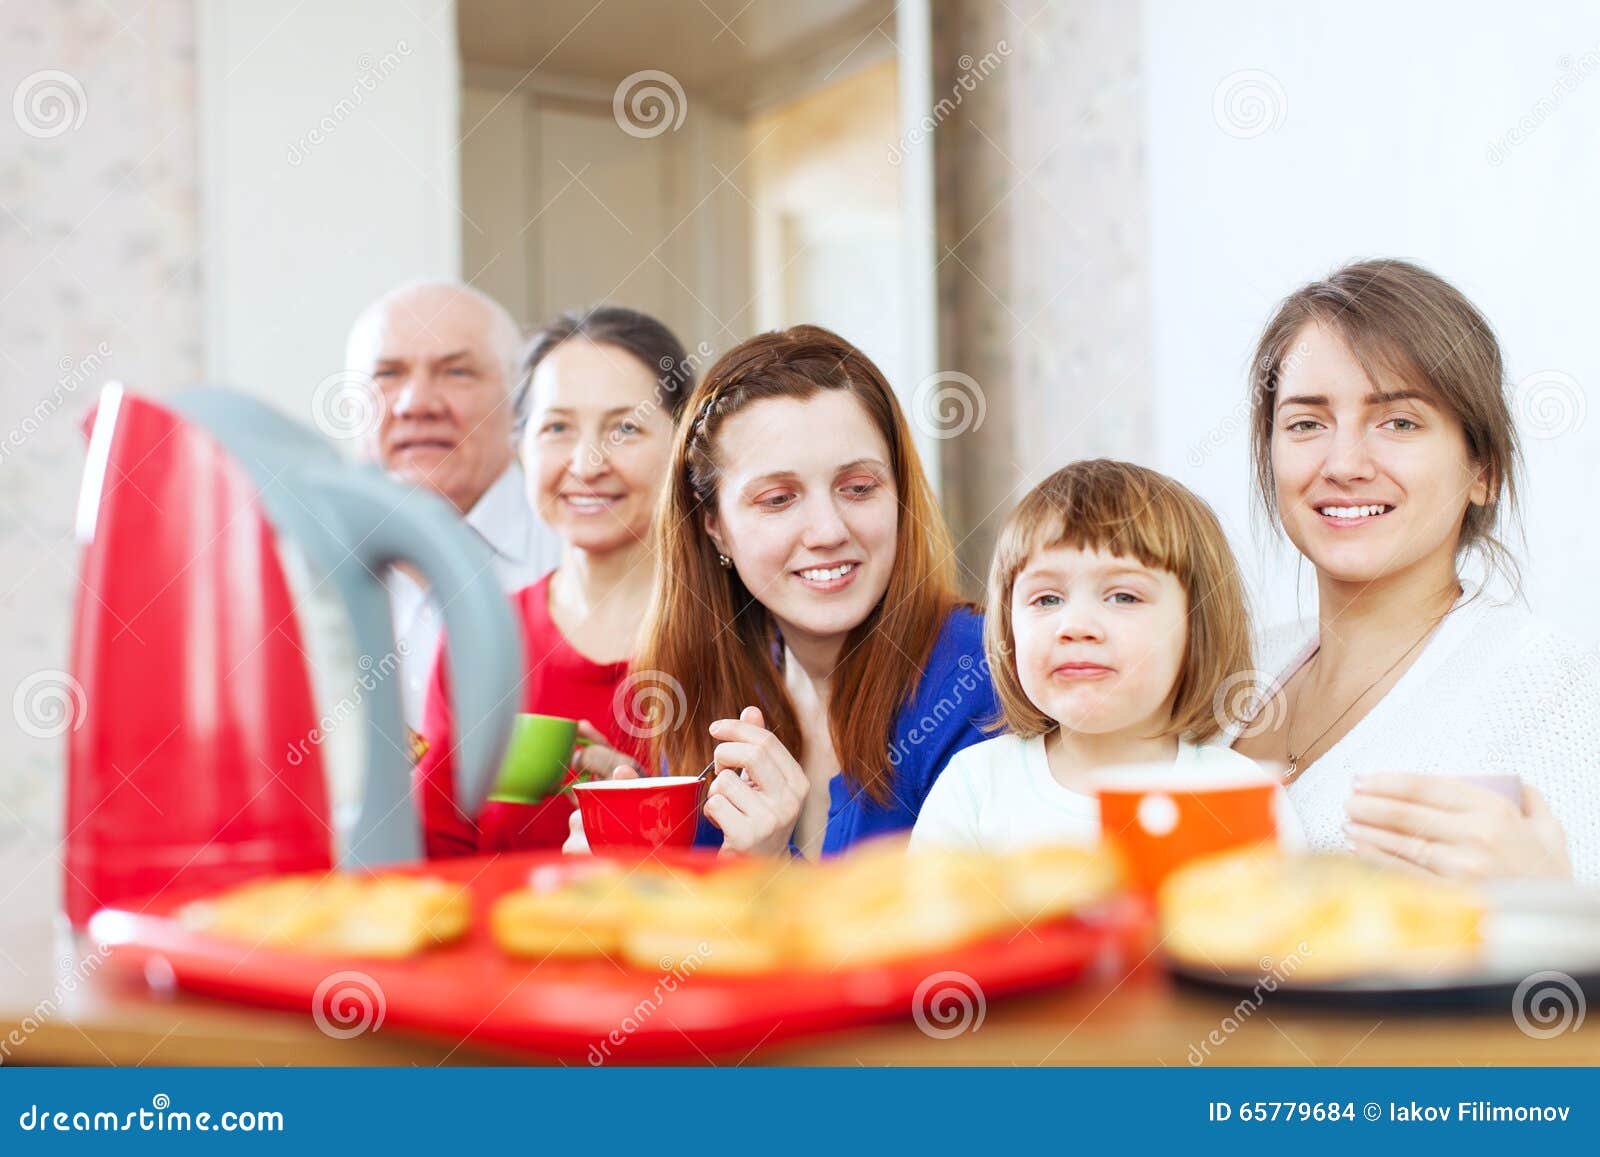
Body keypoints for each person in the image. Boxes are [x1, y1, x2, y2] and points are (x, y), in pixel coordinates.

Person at [1231, 258, 1600, 880]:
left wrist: (1544, 897)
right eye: (1306, 423)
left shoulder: (1545, 689)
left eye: (1399, 422)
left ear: (1484, 471)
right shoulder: (1235, 668)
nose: (1344, 464)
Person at [568, 325, 997, 859]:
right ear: (713, 525)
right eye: (777, 498)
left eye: (858, 488)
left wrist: (770, 874)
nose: (828, 531)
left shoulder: (985, 677)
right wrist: (646, 853)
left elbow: (985, 910)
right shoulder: (711, 684)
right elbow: (692, 903)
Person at [417, 306, 695, 855]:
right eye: (557, 428)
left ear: (682, 444)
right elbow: (436, 860)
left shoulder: (739, 637)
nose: (587, 464)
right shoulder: (480, 638)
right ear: (520, 447)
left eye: (625, 428)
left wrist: (641, 809)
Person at [911, 460, 1286, 852]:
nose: (1075, 625)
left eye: (1123, 596)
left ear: (1198, 625)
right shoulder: (974, 787)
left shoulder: (1242, 795)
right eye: (1047, 599)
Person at [345, 280, 560, 727]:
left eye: (456, 372)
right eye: (388, 374)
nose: (416, 404)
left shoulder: (577, 550)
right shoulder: (302, 568)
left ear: (519, 401)